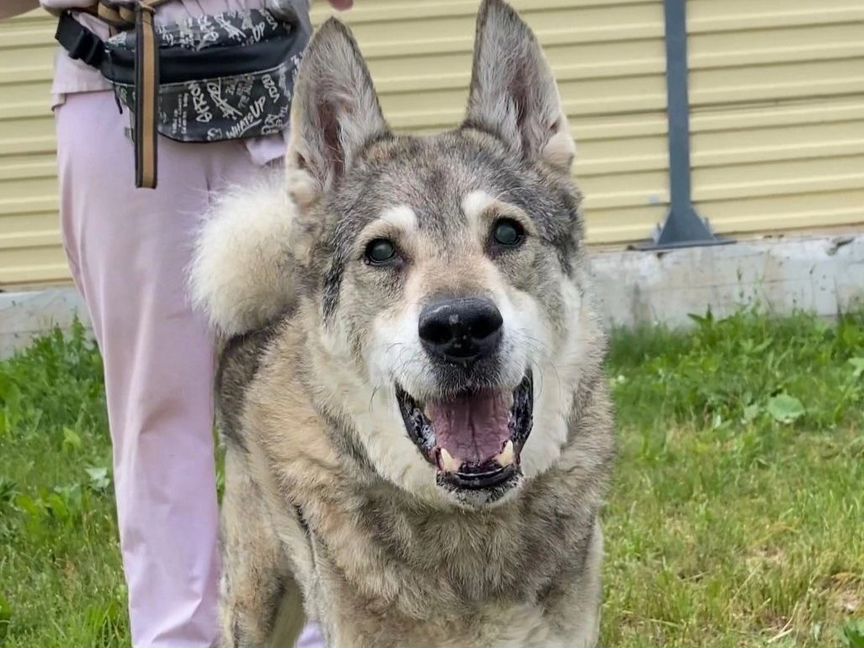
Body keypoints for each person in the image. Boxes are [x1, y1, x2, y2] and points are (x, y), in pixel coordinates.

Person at [0, 1, 351, 646]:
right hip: (117, 89)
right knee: (156, 410)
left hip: (277, 97)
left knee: (316, 407)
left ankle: (324, 633)